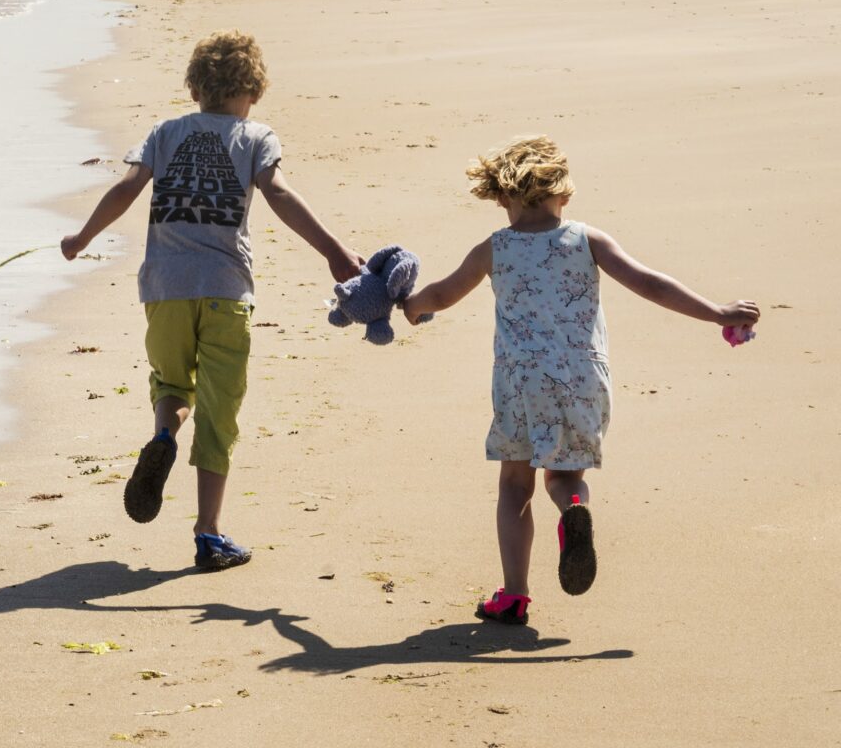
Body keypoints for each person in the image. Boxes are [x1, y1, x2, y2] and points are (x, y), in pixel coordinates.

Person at [401, 138, 759, 625]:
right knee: (565, 475)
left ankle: (514, 596)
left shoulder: (494, 249)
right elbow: (649, 282)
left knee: (514, 485)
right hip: (581, 377)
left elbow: (442, 293)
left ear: (501, 199)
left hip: (520, 383)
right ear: (564, 196)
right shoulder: (587, 239)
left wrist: (412, 307)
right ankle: (572, 509)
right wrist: (716, 312)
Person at [59, 32, 361, 571]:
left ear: (195, 87)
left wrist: (82, 238)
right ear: (254, 91)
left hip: (165, 291)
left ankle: (163, 437)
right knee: (220, 416)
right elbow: (280, 194)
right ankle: (208, 533)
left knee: (172, 386)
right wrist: (334, 251)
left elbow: (126, 189)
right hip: (226, 293)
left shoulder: (165, 132)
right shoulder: (255, 136)